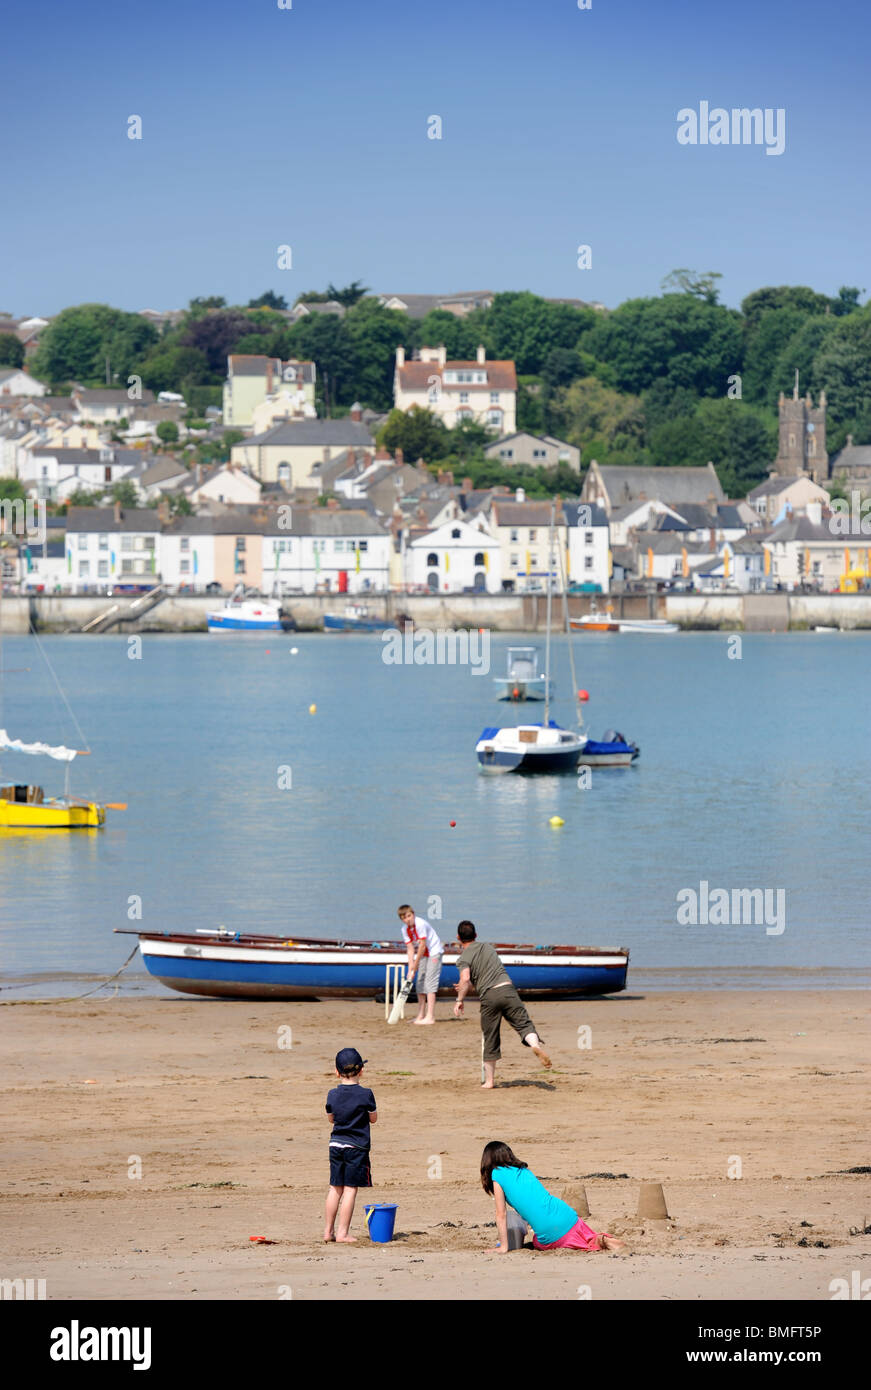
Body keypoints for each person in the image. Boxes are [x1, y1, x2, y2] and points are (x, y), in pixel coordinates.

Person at [452, 920, 551, 1086]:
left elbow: (466, 978)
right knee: (524, 1025)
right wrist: (465, 984)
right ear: (476, 935)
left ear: (458, 938)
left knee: (490, 1037)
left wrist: (459, 1000)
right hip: (507, 989)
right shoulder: (488, 947)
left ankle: (489, 1082)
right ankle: (535, 1045)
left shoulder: (463, 958)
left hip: (489, 996)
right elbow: (479, 974)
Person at [480, 1141, 624, 1253]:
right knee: (585, 1239)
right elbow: (533, 1200)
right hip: (569, 1216)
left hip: (552, 1231)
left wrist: (504, 1247)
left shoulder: (497, 1174)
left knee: (537, 1241)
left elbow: (501, 1214)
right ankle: (601, 1240)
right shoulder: (523, 1170)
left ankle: (599, 1242)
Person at [324, 1047, 377, 1243]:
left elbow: (331, 1119)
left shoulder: (332, 1094)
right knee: (350, 1189)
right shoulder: (366, 1094)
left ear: (336, 1072)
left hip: (336, 1144)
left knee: (334, 1188)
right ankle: (342, 1233)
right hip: (357, 1147)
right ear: (361, 1070)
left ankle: (328, 1231)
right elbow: (373, 1119)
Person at [397, 903, 444, 1025]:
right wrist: (410, 968)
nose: (407, 920)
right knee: (420, 983)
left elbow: (422, 946)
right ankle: (420, 1015)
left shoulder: (420, 924)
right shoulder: (404, 930)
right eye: (404, 918)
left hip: (434, 952)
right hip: (423, 954)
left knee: (430, 982)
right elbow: (410, 949)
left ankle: (430, 1016)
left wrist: (415, 965)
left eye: (409, 916)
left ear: (413, 914)